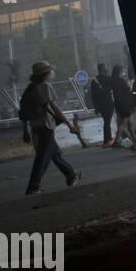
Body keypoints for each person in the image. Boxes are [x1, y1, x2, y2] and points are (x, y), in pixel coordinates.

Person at [19, 61, 83, 195]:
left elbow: (23, 112)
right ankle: (34, 187)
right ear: (46, 74)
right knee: (42, 158)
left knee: (55, 154)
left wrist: (25, 131)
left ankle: (71, 175)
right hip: (46, 126)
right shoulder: (45, 86)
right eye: (51, 71)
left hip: (35, 126)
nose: (53, 73)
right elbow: (55, 108)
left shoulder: (31, 88)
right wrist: (69, 124)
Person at [109, 65, 136, 151]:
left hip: (119, 104)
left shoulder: (112, 81)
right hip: (124, 104)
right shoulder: (120, 80)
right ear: (119, 71)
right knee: (123, 123)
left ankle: (135, 139)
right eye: (122, 71)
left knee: (129, 122)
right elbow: (127, 90)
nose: (123, 73)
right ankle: (117, 141)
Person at [89, 62, 115, 146]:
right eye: (105, 67)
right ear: (103, 69)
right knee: (107, 121)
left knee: (106, 120)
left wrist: (95, 107)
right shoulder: (109, 78)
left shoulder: (94, 80)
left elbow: (93, 95)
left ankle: (107, 139)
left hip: (100, 104)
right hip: (109, 102)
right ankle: (108, 140)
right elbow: (113, 89)